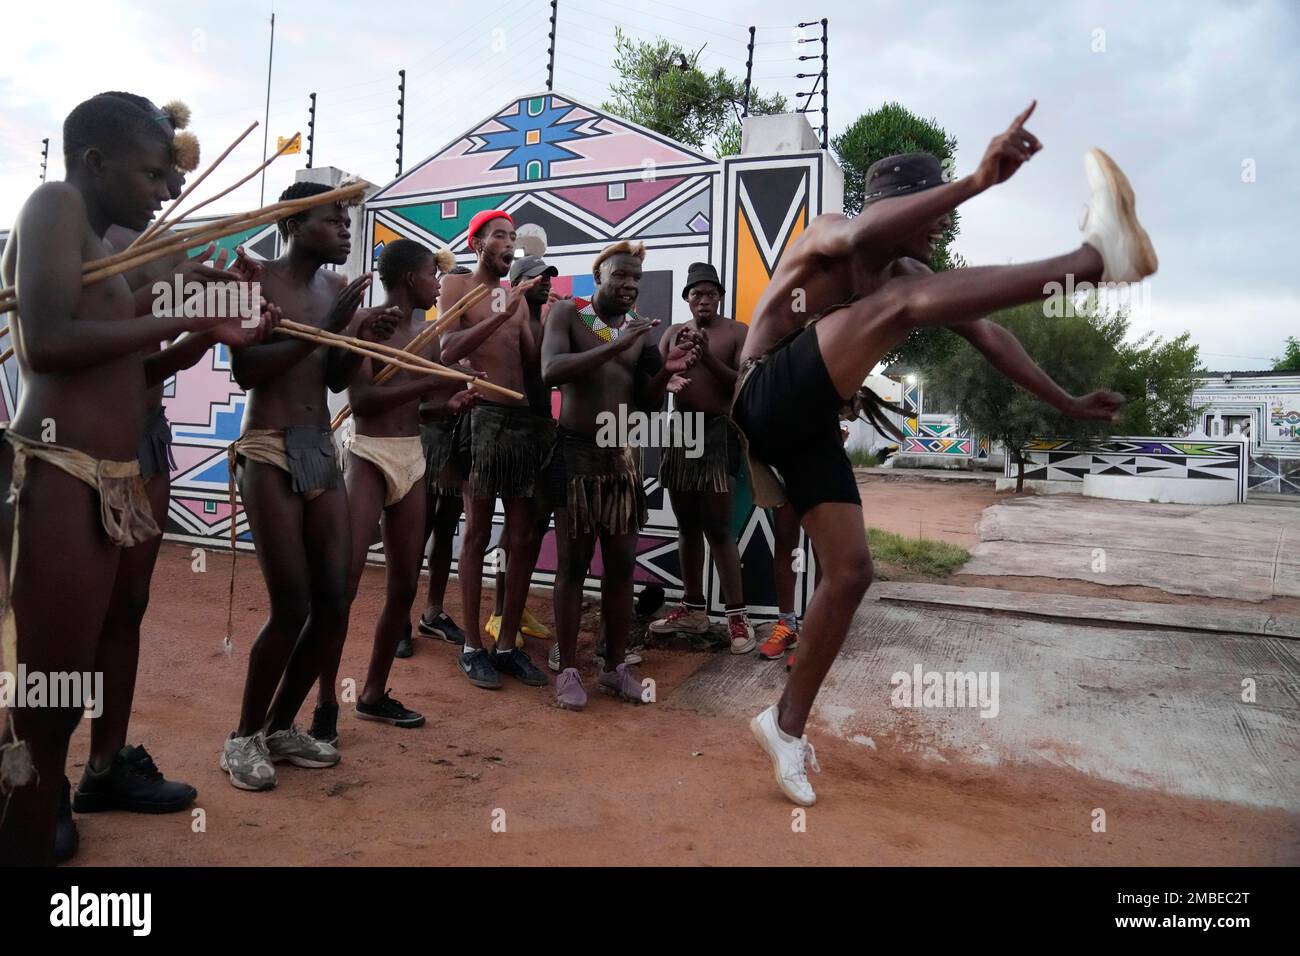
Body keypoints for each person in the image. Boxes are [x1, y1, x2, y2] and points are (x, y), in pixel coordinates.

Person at [735, 103, 1154, 805]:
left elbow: (991, 336)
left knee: (852, 572)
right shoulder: (832, 233)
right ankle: (1094, 259)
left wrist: (1066, 402)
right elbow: (867, 228)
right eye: (931, 215)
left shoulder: (901, 273)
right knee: (900, 302)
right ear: (902, 205)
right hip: (766, 394)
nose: (938, 228)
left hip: (807, 426)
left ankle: (784, 725)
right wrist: (975, 180)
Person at [0, 92, 273, 864]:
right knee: (43, 699)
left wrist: (209, 323)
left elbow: (133, 363)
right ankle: (26, 826)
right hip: (58, 471)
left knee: (61, 686)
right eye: (153, 172)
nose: (167, 188)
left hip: (111, 480)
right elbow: (48, 342)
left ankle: (41, 807)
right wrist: (191, 317)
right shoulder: (53, 204)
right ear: (95, 162)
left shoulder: (107, 247)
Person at [221, 181, 399, 790]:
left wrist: (359, 337)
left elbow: (331, 377)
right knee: (291, 604)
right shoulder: (258, 279)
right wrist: (324, 324)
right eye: (334, 218)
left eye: (348, 218)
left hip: (318, 449)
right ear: (295, 225)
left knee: (333, 603)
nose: (347, 228)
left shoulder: (334, 289)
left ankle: (280, 726)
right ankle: (241, 738)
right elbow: (247, 369)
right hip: (268, 447)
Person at [311, 239, 477, 742]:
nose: (437, 284)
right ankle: (323, 706)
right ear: (410, 279)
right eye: (432, 274)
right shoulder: (366, 323)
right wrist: (433, 380)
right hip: (368, 454)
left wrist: (445, 403)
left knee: (404, 586)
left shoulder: (426, 333)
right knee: (345, 585)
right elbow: (361, 399)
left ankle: (374, 694)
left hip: (412, 455)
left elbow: (417, 408)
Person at [541, 241, 700, 710]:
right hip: (574, 458)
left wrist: (664, 371)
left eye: (636, 279)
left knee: (620, 568)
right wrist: (617, 344)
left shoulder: (637, 332)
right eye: (621, 277)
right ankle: (568, 667)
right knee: (572, 566)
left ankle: (613, 666)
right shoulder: (569, 316)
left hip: (622, 459)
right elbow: (551, 371)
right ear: (599, 279)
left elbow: (648, 402)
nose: (630, 285)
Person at [437, 211, 548, 690]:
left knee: (522, 538)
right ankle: (471, 648)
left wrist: (575, 321)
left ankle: (506, 647)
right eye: (500, 236)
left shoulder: (518, 300)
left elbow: (531, 361)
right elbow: (445, 349)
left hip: (520, 424)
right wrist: (499, 315)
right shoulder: (456, 287)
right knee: (477, 533)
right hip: (479, 421)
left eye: (512, 238)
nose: (509, 243)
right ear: (478, 243)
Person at [649, 262, 755, 654]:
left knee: (720, 529)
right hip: (680, 431)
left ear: (720, 297)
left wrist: (708, 357)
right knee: (687, 526)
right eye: (697, 293)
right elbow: (655, 384)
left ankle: (737, 617)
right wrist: (668, 378)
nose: (704, 299)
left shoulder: (736, 332)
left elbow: (743, 383)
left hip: (717, 431)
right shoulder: (673, 334)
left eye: (711, 293)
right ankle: (693, 609)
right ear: (688, 299)